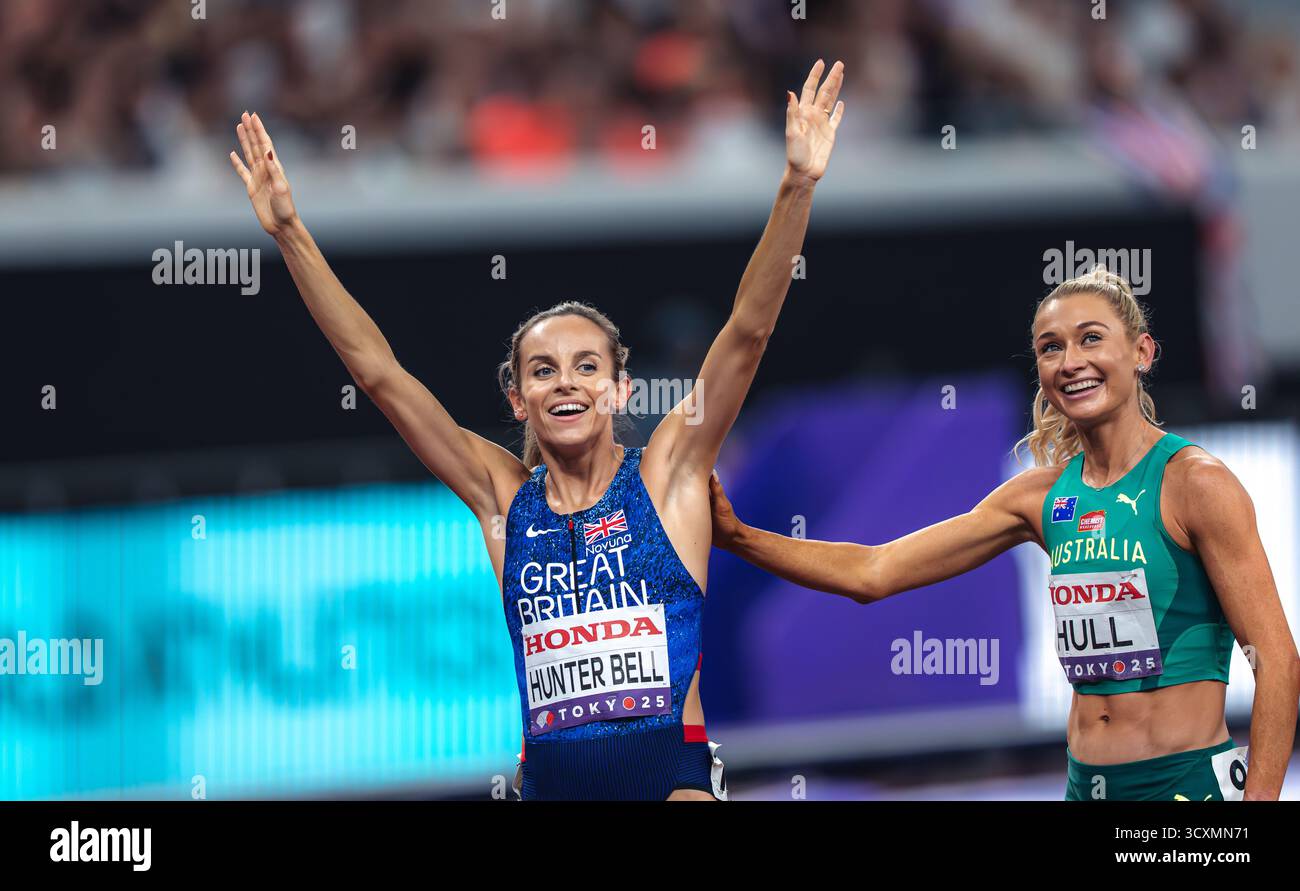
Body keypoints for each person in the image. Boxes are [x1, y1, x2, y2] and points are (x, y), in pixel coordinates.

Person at [226, 60, 847, 800]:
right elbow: (380, 375)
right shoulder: (502, 498)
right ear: (517, 398)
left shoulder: (669, 472)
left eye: (586, 366)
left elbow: (747, 330)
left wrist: (796, 187)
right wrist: (291, 231)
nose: (566, 383)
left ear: (619, 388)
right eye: (544, 370)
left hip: (669, 776)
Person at [708, 265, 1300, 800]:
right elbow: (874, 571)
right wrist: (739, 537)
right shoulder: (1037, 498)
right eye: (1051, 348)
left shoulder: (1195, 484)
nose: (1071, 361)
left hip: (1185, 789)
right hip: (1085, 786)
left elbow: (1277, 660)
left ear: (1142, 352)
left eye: (1091, 338)